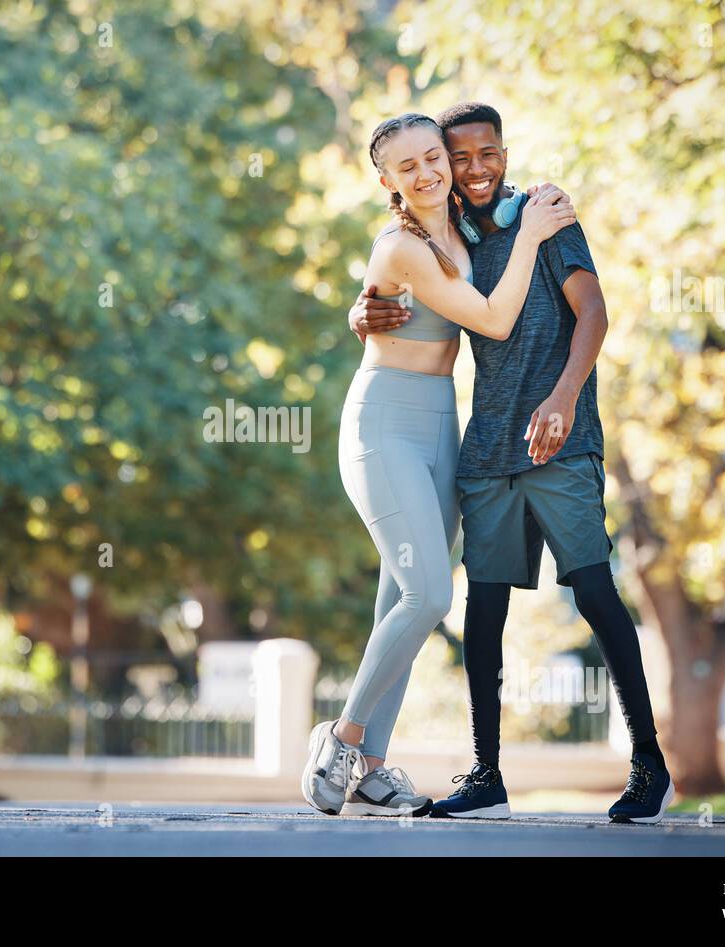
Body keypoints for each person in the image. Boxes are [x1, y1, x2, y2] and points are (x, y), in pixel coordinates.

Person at [348, 102, 674, 824]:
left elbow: (595, 313)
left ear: (504, 150)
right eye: (455, 157)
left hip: (561, 438)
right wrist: (360, 308)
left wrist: (563, 397)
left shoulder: (546, 217)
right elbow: (405, 277)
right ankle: (486, 773)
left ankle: (649, 762)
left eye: (483, 153)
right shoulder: (456, 235)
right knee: (483, 610)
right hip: (487, 445)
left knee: (595, 592)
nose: (471, 168)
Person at [302, 112, 575, 817]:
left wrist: (535, 208)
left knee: (400, 598)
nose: (428, 173)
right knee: (428, 593)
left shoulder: (467, 224)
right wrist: (536, 237)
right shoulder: (401, 244)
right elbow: (492, 318)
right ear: (387, 181)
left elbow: (506, 207)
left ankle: (371, 768)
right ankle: (343, 736)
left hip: (439, 421)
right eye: (408, 166)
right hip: (383, 422)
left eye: (435, 158)